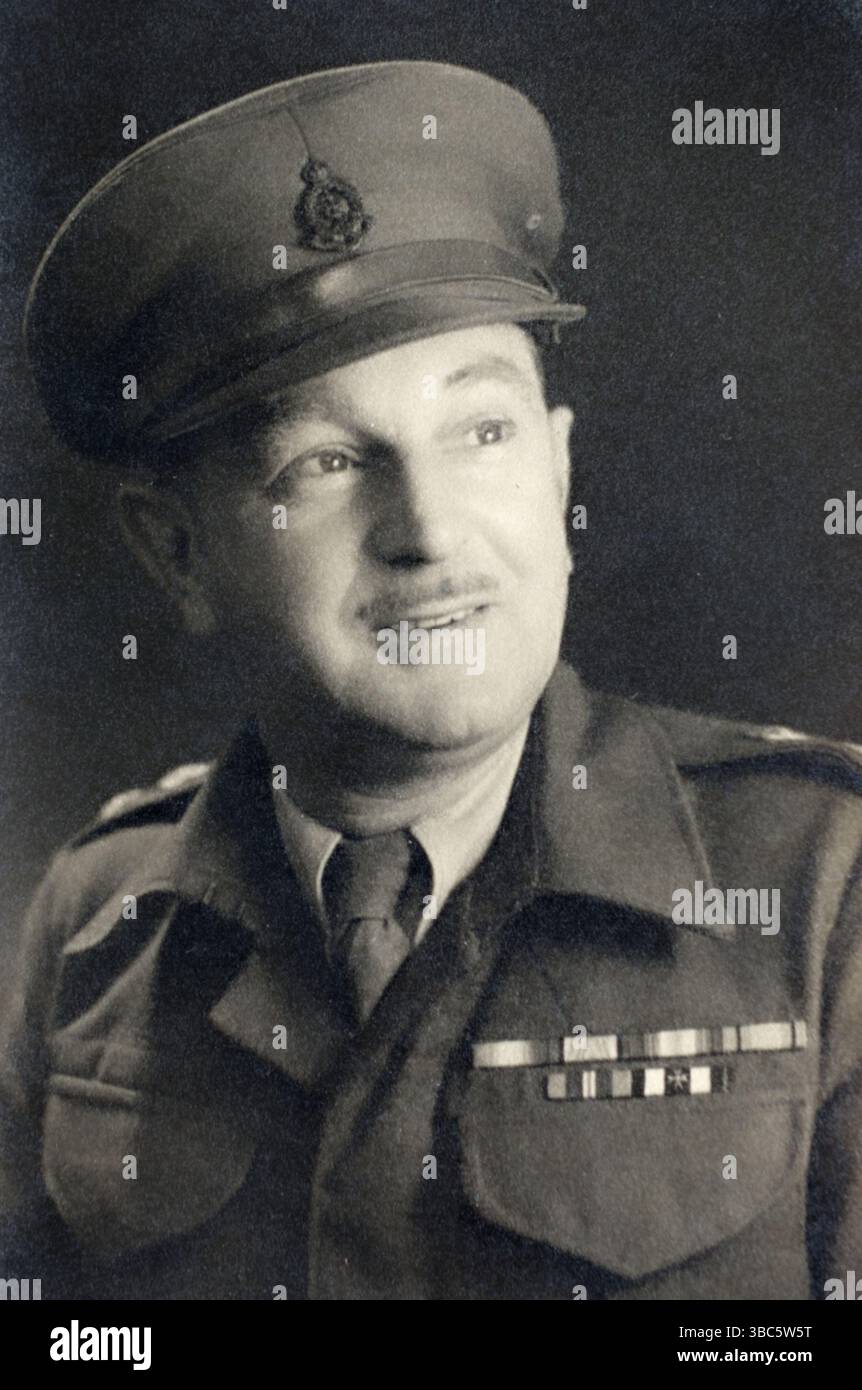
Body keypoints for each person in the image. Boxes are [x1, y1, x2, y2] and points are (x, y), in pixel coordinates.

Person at [2, 60, 860, 1302]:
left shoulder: (820, 890)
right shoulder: (97, 924)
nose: (431, 530)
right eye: (330, 461)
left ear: (558, 469)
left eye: (483, 429)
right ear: (177, 552)